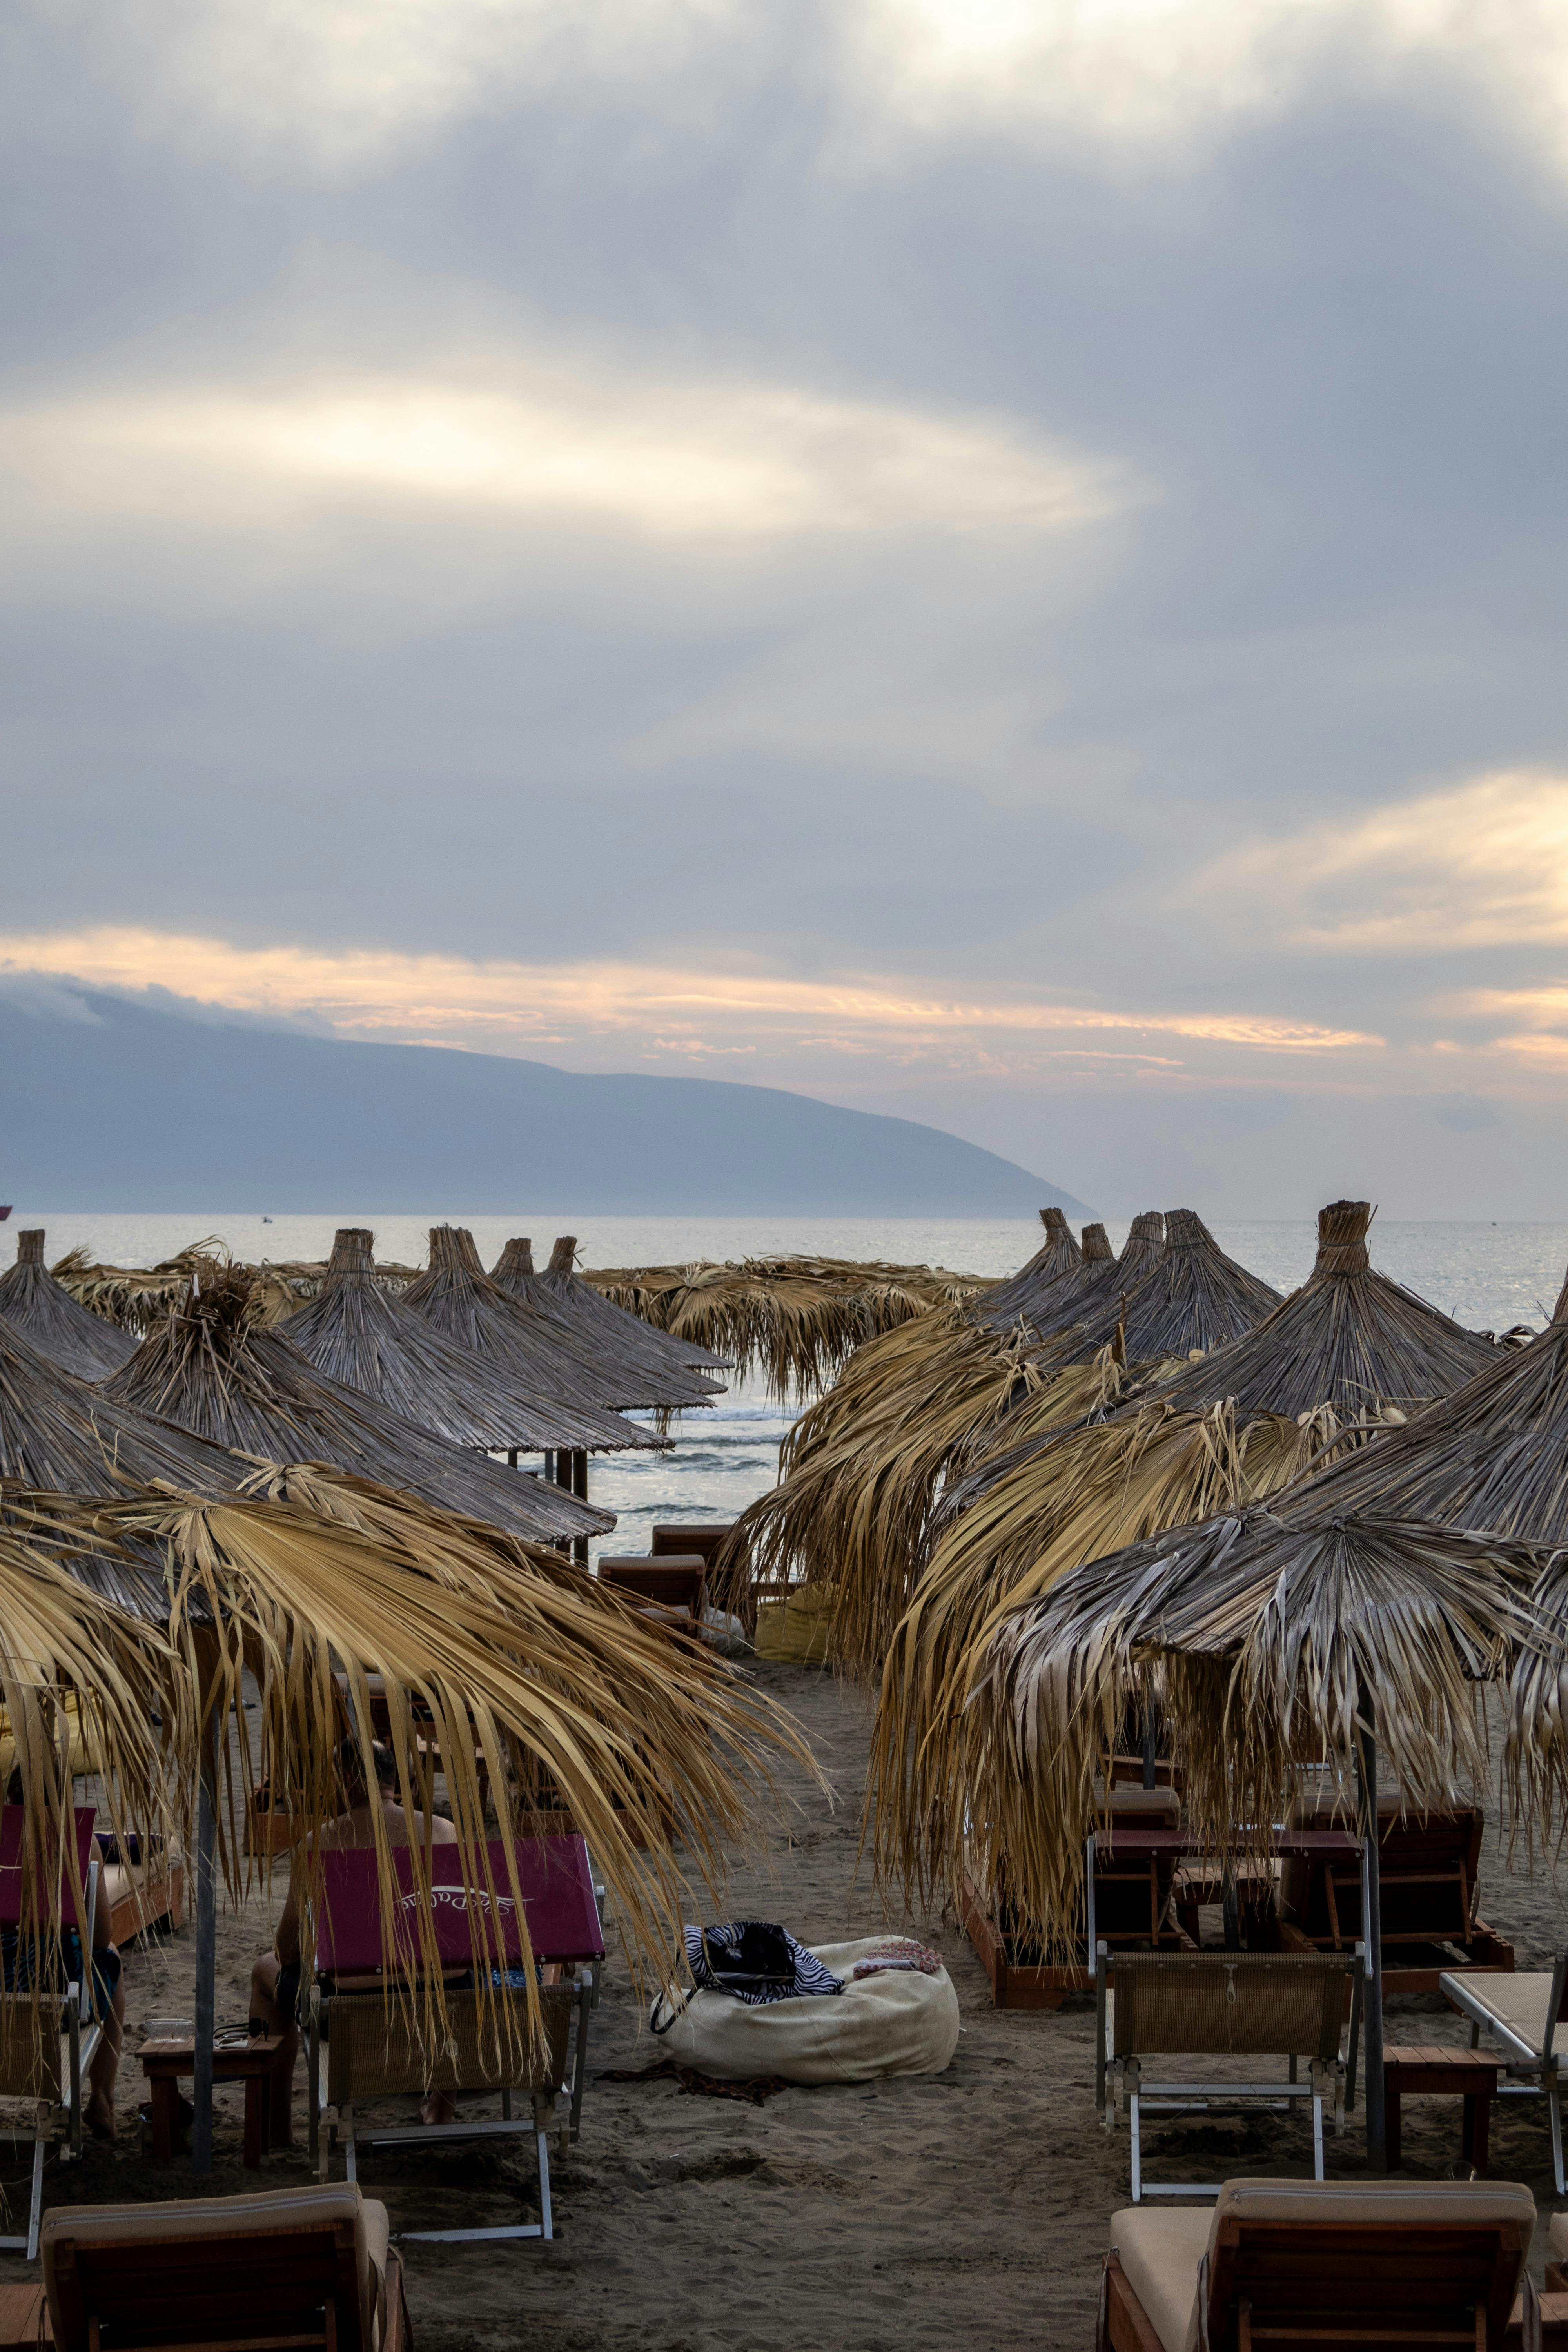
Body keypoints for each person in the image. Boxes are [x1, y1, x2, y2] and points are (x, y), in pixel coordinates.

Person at [250, 1740, 457, 2145]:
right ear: (392, 1779)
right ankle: (441, 2104)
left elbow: (287, 1951)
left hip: (351, 2018)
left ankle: (276, 2130)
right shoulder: (441, 1830)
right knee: (444, 1967)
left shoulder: (320, 1842)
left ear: (346, 1778)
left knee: (264, 1971)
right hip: (442, 2013)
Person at [0, 1772, 125, 2140]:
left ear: (10, 1801)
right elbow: (102, 1937)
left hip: (4, 1998)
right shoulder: (81, 1843)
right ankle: (101, 2098)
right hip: (59, 2002)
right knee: (112, 1958)